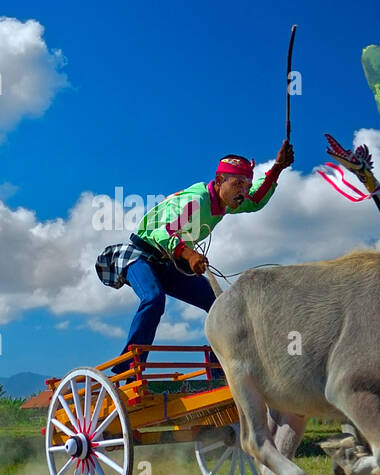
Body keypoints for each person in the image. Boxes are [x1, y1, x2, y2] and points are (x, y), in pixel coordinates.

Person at [96, 142, 293, 360]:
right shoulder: (196, 201)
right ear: (219, 182)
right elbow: (161, 234)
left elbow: (255, 200)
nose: (243, 192)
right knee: (153, 298)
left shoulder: (226, 202)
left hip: (167, 262)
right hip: (141, 255)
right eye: (238, 184)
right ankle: (130, 365)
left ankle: (221, 366)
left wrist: (277, 168)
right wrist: (189, 255)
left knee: (219, 305)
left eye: (246, 185)